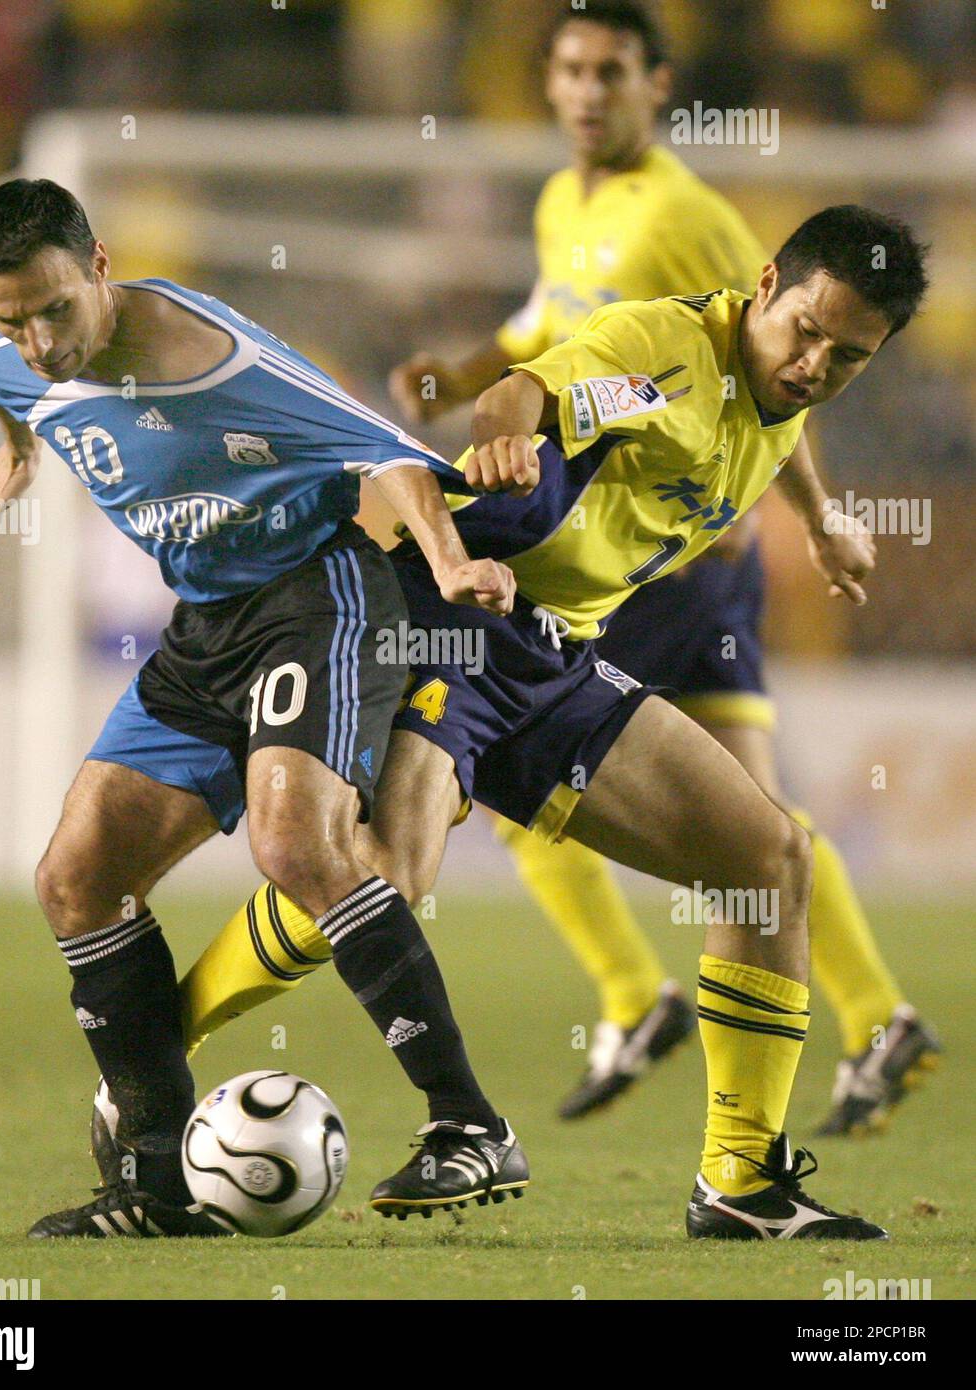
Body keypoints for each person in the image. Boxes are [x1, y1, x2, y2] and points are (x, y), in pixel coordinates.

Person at [146, 205, 931, 1238]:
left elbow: (780, 429)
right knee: (387, 875)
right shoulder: (667, 353)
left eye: (848, 358)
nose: (814, 364)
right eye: (806, 331)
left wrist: (823, 520)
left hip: (549, 653)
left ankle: (740, 1184)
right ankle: (154, 1055)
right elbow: (532, 389)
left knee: (766, 854)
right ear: (767, 281)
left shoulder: (779, 385)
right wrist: (506, 428)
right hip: (447, 611)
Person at [0, 177, 532, 1240]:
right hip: (205, 626)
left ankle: (469, 1120)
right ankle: (160, 1181)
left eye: (52, 310)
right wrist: (19, 445)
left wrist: (447, 563)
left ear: (103, 265)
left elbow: (384, 447)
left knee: (294, 844)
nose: (32, 341)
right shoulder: (9, 351)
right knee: (75, 880)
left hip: (315, 597)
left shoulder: (217, 362)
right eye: (9, 317)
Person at [389, 0, 939, 1132]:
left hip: (673, 550)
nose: (589, 93)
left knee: (533, 764)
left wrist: (806, 514)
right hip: (651, 534)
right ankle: (868, 1015)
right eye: (571, 72)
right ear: (547, 84)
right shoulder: (564, 202)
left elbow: (785, 360)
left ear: (657, 85)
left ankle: (640, 998)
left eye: (613, 73)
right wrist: (460, 374)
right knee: (744, 823)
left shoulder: (687, 218)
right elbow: (553, 326)